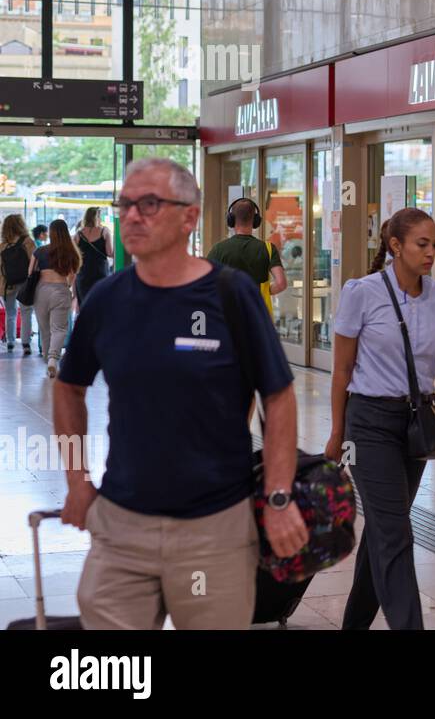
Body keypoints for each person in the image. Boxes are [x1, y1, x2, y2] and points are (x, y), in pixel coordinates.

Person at [55, 157, 308, 629]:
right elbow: (69, 389)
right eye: (125, 204)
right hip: (121, 525)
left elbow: (278, 396)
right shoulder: (107, 300)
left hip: (215, 527)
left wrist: (277, 496)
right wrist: (76, 478)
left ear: (189, 217)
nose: (131, 216)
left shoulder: (232, 296)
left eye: (148, 204)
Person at [326, 208, 435, 629]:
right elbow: (341, 370)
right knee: (396, 530)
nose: (431, 253)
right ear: (395, 246)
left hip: (416, 424)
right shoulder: (361, 292)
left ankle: (354, 624)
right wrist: (336, 432)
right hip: (367, 421)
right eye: (422, 244)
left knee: (385, 530)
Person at [207, 198, 288, 316]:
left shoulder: (218, 249)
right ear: (255, 221)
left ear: (231, 220)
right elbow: (281, 283)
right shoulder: (268, 249)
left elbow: (206, 283)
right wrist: (265, 291)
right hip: (260, 318)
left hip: (228, 317)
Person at [30, 219, 79, 378]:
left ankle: (48, 358)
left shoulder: (39, 251)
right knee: (59, 329)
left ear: (50, 233)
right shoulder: (71, 251)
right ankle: (52, 359)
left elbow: (30, 273)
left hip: (41, 290)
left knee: (44, 328)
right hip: (61, 289)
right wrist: (69, 289)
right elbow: (72, 275)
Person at [1, 214, 36, 355]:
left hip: (8, 283)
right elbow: (34, 262)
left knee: (11, 313)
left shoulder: (2, 246)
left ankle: (10, 342)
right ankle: (26, 344)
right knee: (26, 312)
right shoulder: (28, 242)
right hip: (24, 281)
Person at [74, 206, 114, 307]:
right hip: (100, 272)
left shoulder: (78, 234)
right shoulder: (105, 231)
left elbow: (74, 256)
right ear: (98, 217)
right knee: (100, 305)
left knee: (85, 306)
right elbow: (110, 253)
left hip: (83, 274)